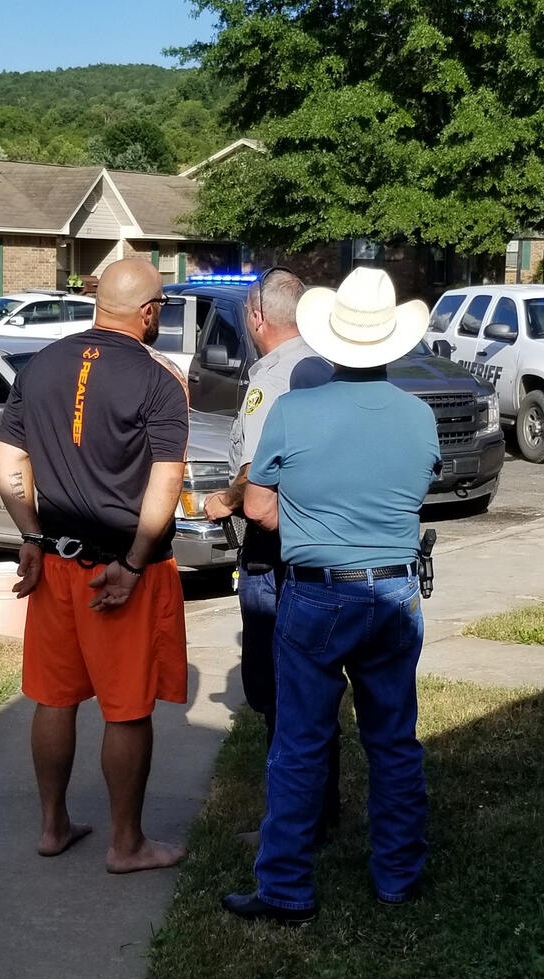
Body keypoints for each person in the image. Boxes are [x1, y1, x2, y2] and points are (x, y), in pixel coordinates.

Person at [222, 267, 442, 924]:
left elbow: (257, 506)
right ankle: (398, 875)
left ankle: (286, 884)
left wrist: (317, 526)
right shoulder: (418, 415)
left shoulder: (293, 410)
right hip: (395, 589)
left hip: (317, 594)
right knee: (394, 740)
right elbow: (412, 492)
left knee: (300, 742)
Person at [0, 259, 189, 874]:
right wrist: (133, 563)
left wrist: (30, 534)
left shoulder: (42, 363)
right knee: (126, 708)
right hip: (122, 572)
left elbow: (7, 461)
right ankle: (126, 844)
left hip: (55, 562)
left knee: (55, 699)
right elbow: (164, 484)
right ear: (150, 311)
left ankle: (53, 826)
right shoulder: (161, 379)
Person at [202, 267, 340, 839]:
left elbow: (260, 483)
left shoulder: (273, 378)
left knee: (279, 691)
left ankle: (292, 823)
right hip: (334, 551)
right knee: (318, 686)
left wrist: (223, 499)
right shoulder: (332, 367)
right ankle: (322, 814)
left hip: (276, 552)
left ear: (256, 317)